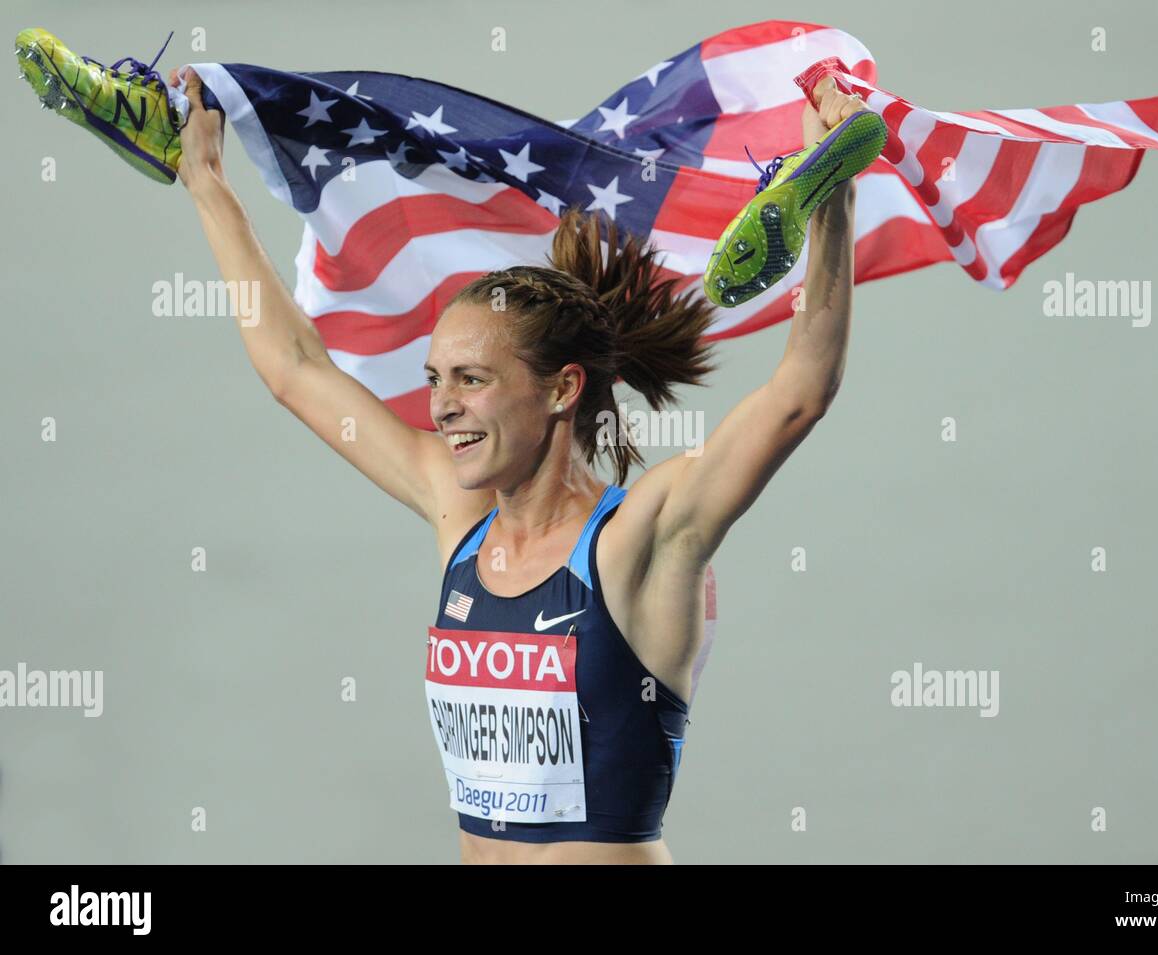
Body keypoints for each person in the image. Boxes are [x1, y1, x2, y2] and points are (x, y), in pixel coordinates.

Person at [161, 66, 871, 864]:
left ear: (562, 389)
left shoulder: (641, 538)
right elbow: (296, 369)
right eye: (435, 380)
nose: (440, 407)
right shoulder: (458, 519)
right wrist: (205, 179)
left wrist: (832, 200)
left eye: (471, 379)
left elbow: (800, 391)